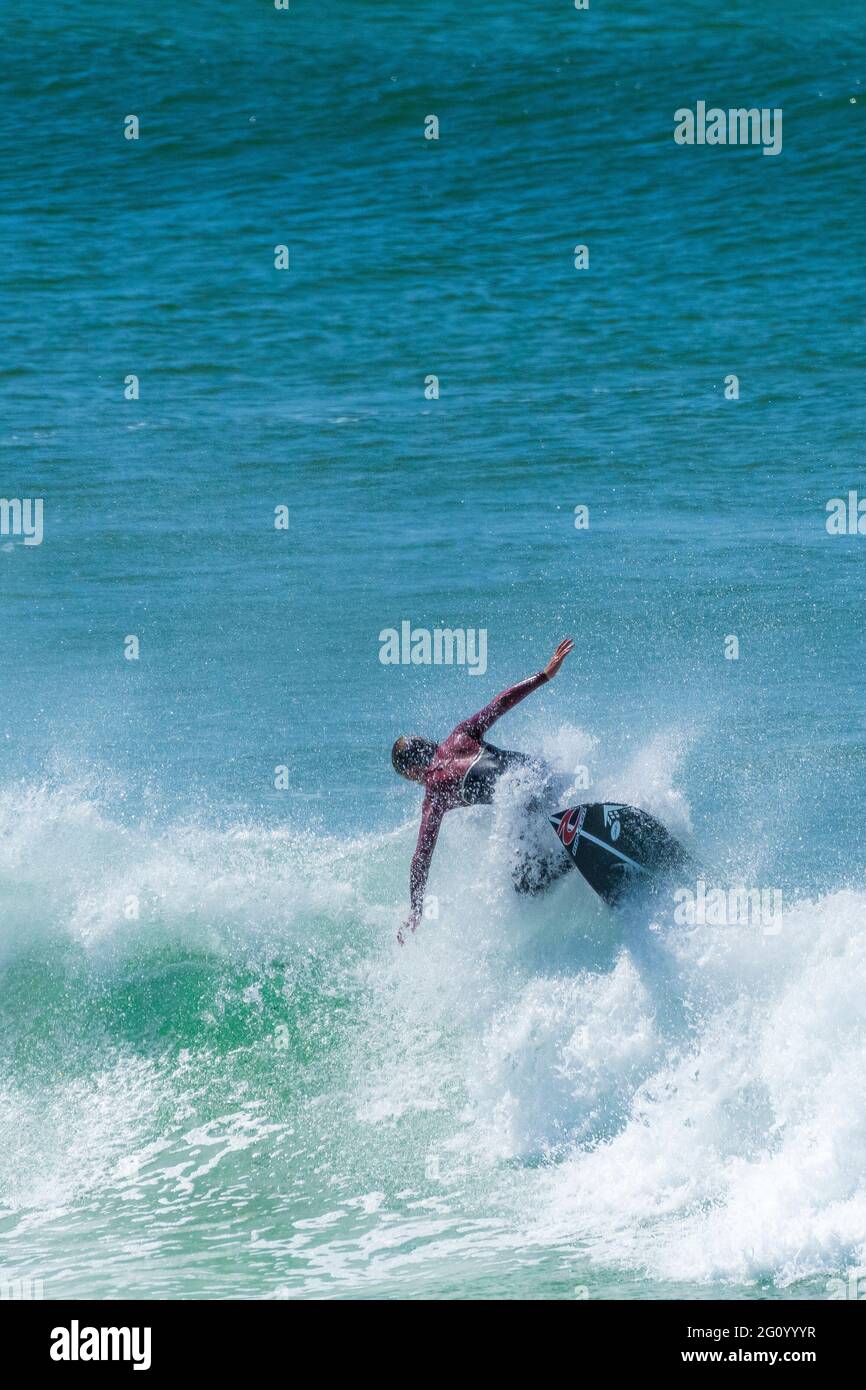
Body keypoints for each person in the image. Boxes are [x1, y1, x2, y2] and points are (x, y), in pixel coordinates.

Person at [392, 638, 574, 940]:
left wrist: (415, 909)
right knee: (544, 804)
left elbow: (421, 857)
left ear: (412, 771)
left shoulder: (435, 794)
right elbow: (500, 703)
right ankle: (575, 835)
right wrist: (544, 675)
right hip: (538, 774)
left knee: (525, 887)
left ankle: (568, 861)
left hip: (522, 798)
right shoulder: (460, 735)